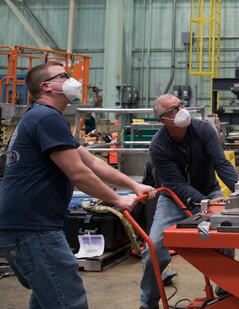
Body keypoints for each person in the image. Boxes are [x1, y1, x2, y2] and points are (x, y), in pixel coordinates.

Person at [0, 61, 156, 309]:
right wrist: (117, 199)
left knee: (46, 299)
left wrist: (133, 186)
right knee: (68, 301)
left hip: (28, 225)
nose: (72, 80)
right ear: (46, 86)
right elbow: (78, 173)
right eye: (64, 75)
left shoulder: (43, 117)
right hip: (34, 227)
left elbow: (90, 162)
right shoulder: (46, 118)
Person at [139, 93, 238, 309]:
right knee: (154, 248)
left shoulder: (203, 130)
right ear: (162, 120)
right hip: (172, 200)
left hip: (208, 191)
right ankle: (148, 303)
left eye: (180, 105)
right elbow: (176, 185)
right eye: (173, 110)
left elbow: (221, 163)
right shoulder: (158, 147)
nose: (181, 111)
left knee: (224, 238)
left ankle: (227, 289)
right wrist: (205, 204)